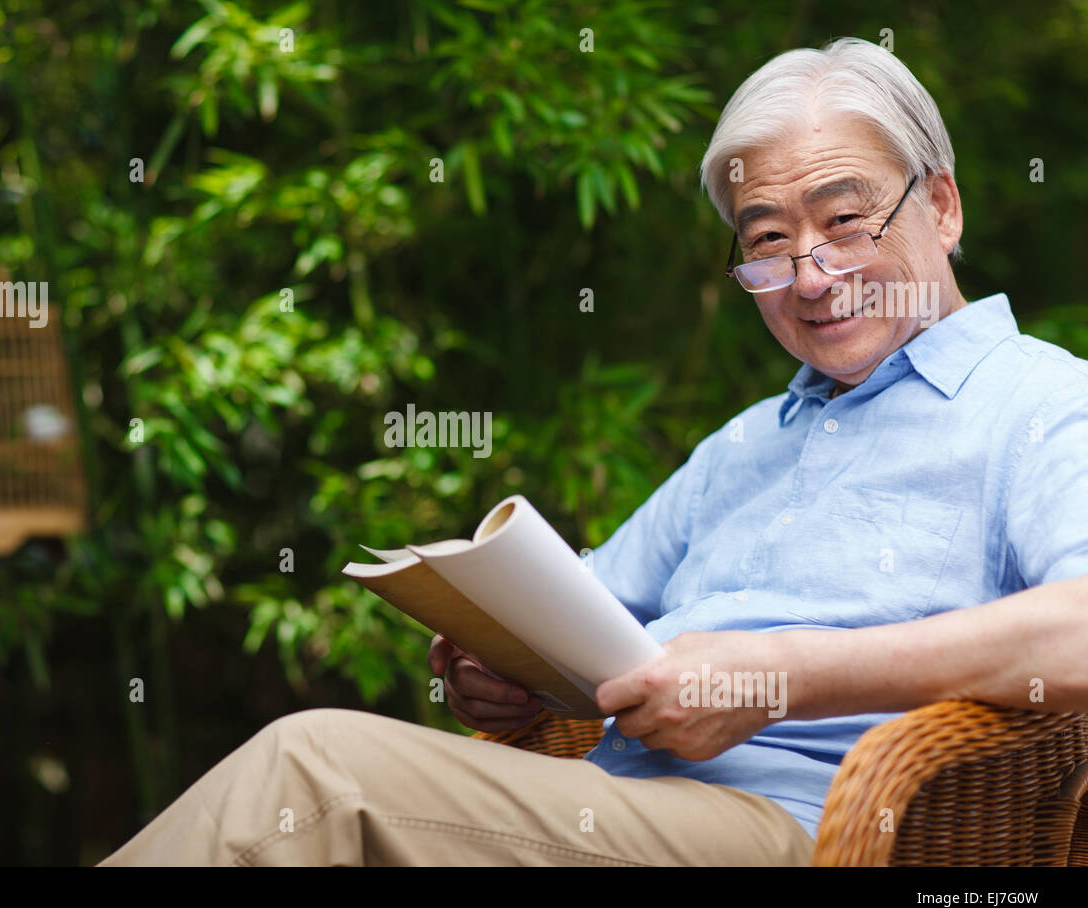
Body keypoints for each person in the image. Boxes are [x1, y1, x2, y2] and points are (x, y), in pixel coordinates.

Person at [100, 37, 1088, 866]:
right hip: (608, 800)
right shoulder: (744, 444)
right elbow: (588, 613)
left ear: (943, 207)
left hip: (813, 828)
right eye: (767, 242)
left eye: (843, 222)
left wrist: (775, 674)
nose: (811, 276)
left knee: (315, 771)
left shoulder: (1041, 401)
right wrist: (508, 672)